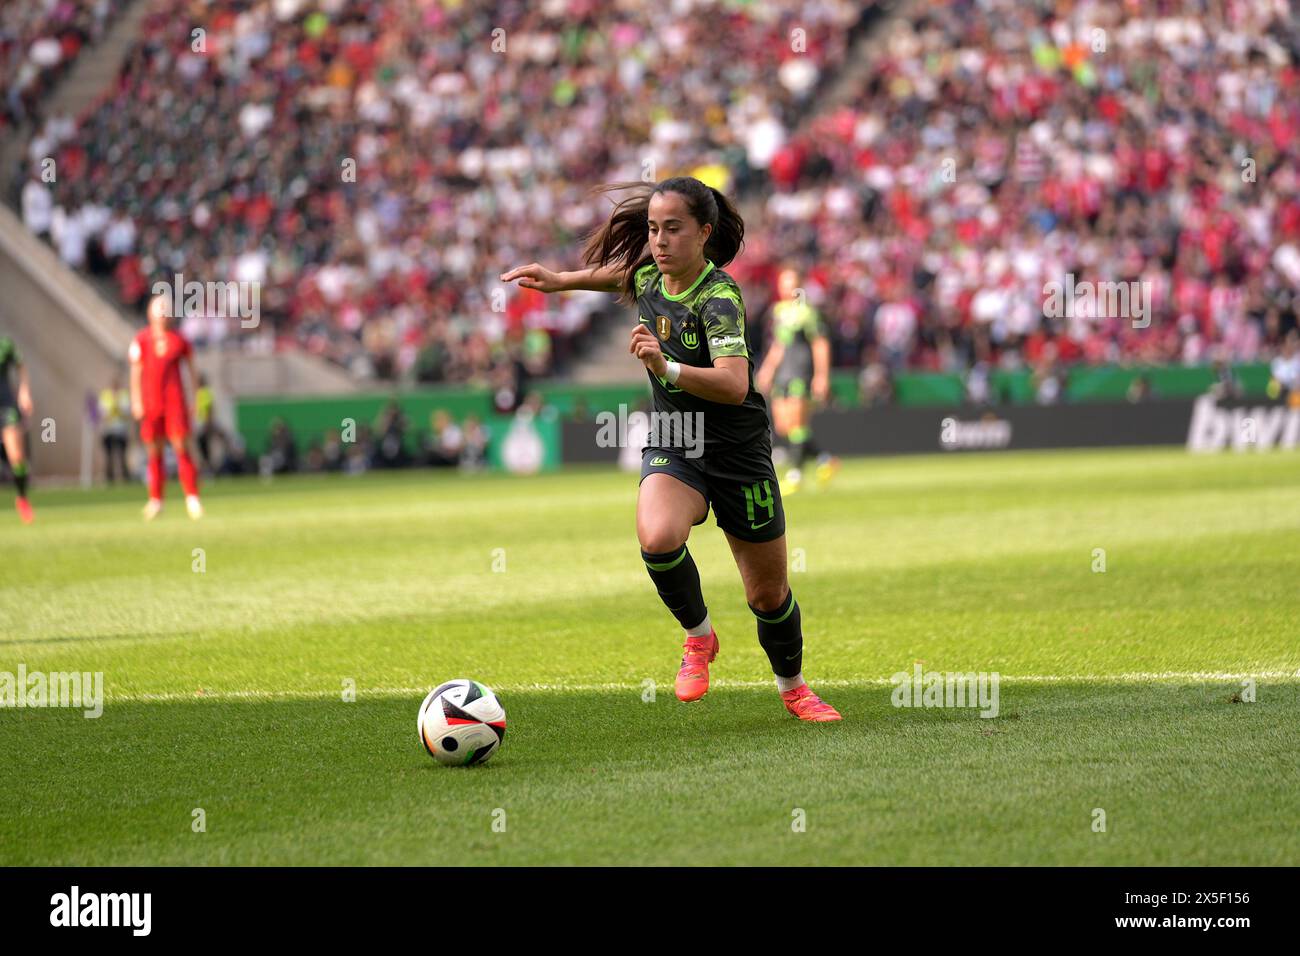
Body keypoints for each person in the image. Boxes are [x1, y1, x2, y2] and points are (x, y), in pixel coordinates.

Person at [501, 176, 840, 721]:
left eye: (672, 229)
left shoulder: (720, 297)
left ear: (704, 233)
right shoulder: (649, 276)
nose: (658, 241)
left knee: (768, 596)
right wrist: (560, 280)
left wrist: (667, 368)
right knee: (658, 537)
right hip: (678, 440)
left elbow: (734, 384)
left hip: (738, 451)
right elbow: (619, 273)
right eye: (653, 229)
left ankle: (794, 687)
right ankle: (699, 637)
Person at [754, 267, 839, 493]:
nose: (787, 287)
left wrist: (822, 376)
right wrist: (768, 370)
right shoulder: (779, 311)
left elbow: (820, 343)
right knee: (785, 426)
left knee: (798, 423)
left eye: (791, 283)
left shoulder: (808, 312)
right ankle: (824, 459)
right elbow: (779, 345)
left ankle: (795, 475)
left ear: (800, 285)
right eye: (783, 283)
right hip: (783, 372)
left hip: (802, 370)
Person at [129, 294, 204, 520]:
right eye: (158, 308)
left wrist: (195, 398)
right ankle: (156, 500)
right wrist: (136, 400)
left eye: (166, 308)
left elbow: (192, 371)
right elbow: (136, 372)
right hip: (151, 404)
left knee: (182, 446)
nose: (162, 312)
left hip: (175, 402)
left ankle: (192, 498)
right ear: (150, 313)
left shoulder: (180, 340)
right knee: (154, 451)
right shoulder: (141, 340)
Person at [0, 336, 34, 523]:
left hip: (5, 406)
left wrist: (24, 392)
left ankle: (22, 498)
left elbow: (21, 366)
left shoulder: (5, 344)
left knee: (17, 458)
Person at [98, 376, 131, 483]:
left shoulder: (124, 395)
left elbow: (127, 411)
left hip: (121, 430)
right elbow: (102, 412)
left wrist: (117, 408)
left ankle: (125, 478)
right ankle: (109, 478)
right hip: (108, 430)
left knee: (122, 456)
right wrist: (113, 409)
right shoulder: (105, 395)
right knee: (109, 456)